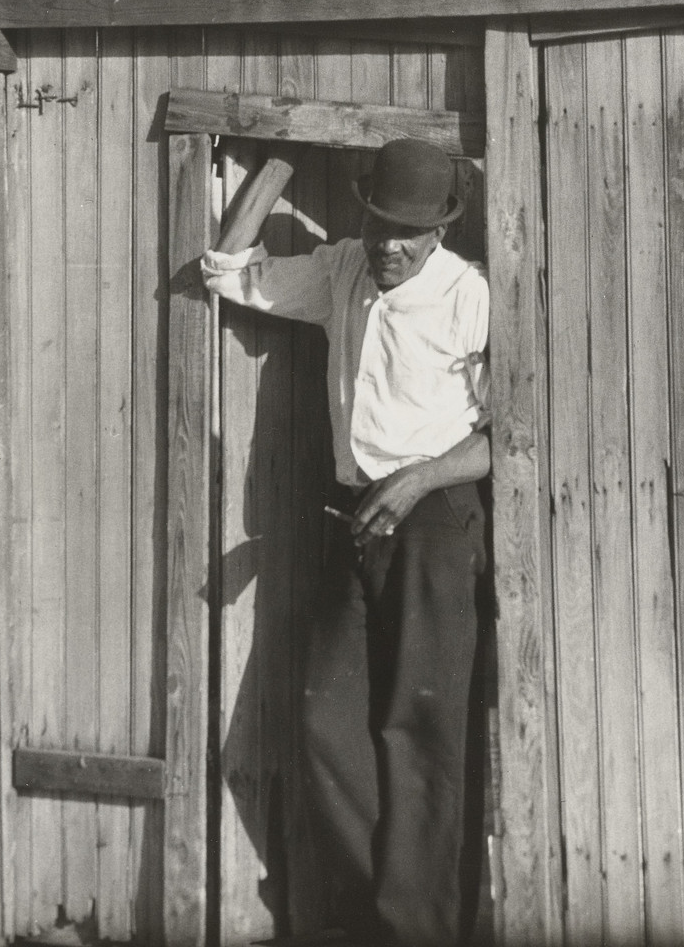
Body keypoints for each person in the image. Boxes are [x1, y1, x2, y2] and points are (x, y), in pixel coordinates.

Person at [201, 136, 490, 947]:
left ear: (440, 231)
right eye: (378, 226)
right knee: (327, 723)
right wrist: (271, 174)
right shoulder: (341, 272)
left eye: (407, 232)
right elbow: (229, 273)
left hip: (436, 521)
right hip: (354, 516)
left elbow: (510, 433)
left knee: (421, 732)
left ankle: (421, 931)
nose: (389, 246)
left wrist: (420, 478)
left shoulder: (472, 298)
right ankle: (362, 923)